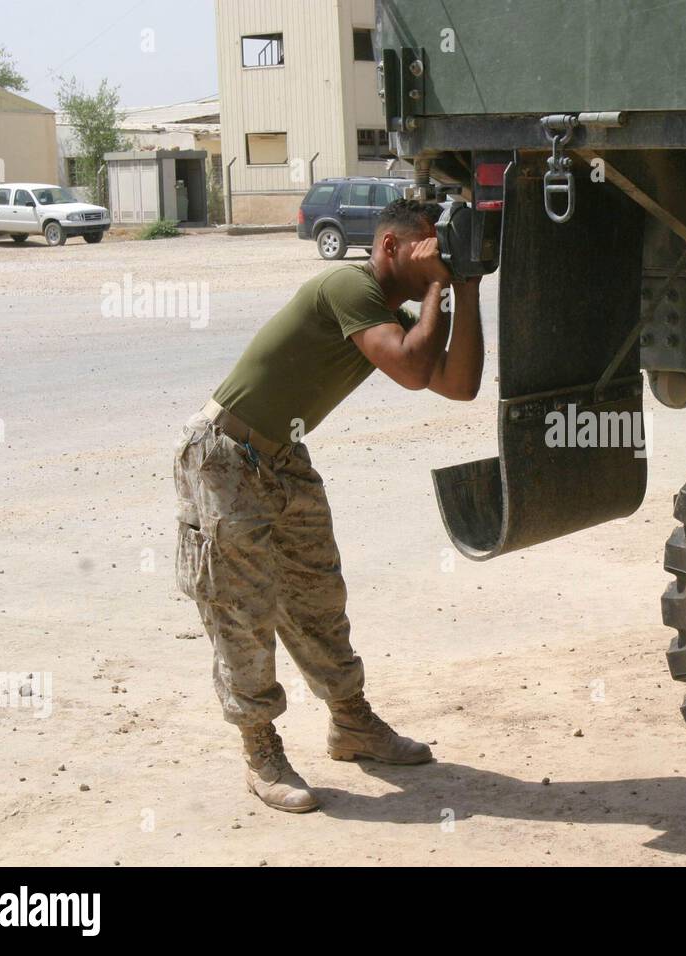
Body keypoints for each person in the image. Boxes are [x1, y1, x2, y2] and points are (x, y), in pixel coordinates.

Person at [172, 199, 483, 812]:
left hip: (281, 457)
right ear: (391, 247)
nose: (434, 257)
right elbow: (417, 369)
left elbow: (459, 384)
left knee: (317, 596)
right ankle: (260, 749)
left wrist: (462, 286)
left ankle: (352, 724)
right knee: (243, 610)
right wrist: (440, 287)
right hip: (225, 456)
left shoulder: (391, 308)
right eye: (426, 246)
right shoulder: (350, 284)